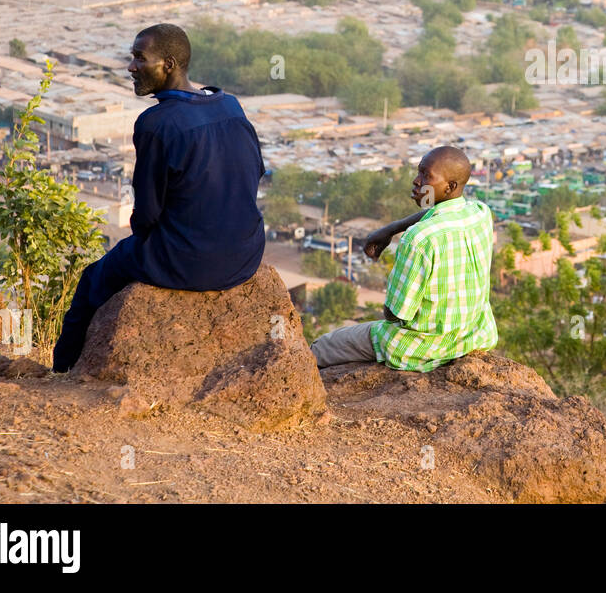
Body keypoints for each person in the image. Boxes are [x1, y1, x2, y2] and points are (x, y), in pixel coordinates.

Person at [51, 23, 266, 373]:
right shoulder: (230, 106)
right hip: (246, 256)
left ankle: (62, 373)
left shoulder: (157, 122)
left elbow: (148, 215)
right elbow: (254, 174)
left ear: (168, 64)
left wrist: (148, 244)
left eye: (140, 58)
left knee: (92, 278)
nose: (131, 67)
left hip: (187, 261)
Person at [310, 146, 497, 373]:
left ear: (450, 187)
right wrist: (391, 229)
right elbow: (440, 212)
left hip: (421, 349)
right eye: (419, 172)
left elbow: (395, 314)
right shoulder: (480, 212)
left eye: (427, 176)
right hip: (473, 337)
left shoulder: (417, 240)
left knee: (321, 347)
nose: (417, 182)